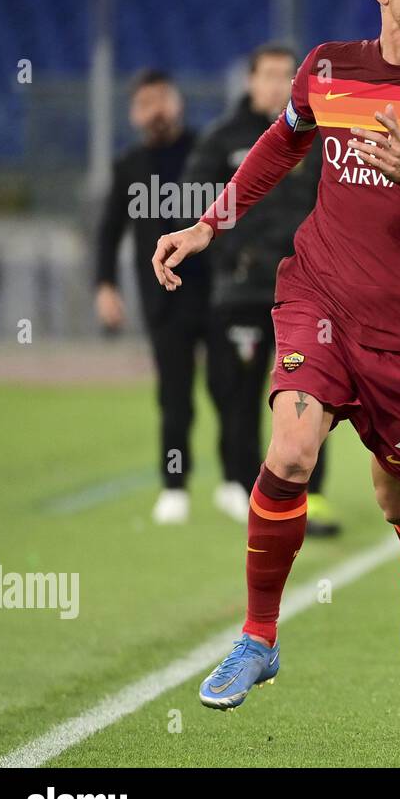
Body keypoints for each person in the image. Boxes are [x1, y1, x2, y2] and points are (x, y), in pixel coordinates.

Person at [150, 0, 400, 710]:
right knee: (288, 454)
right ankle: (258, 639)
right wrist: (207, 223)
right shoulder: (327, 67)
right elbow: (282, 145)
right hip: (318, 292)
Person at [183, 43, 342, 536]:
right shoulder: (222, 140)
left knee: (313, 391)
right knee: (241, 393)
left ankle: (309, 498)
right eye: (267, 75)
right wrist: (231, 258)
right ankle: (252, 492)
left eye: (284, 75)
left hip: (310, 289)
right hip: (246, 290)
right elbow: (195, 203)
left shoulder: (319, 137)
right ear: (249, 81)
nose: (276, 84)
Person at [94, 70, 229, 525]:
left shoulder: (206, 153)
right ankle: (175, 487)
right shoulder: (128, 165)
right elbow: (109, 232)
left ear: (178, 102)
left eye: (161, 99)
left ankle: (236, 481)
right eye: (144, 103)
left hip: (217, 291)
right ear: (134, 114)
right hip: (165, 297)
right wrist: (106, 286)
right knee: (174, 397)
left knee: (230, 389)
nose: (155, 110)